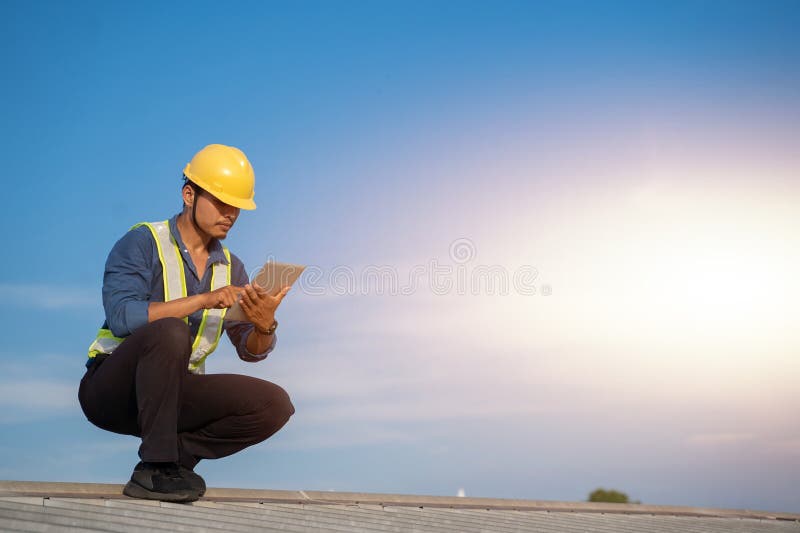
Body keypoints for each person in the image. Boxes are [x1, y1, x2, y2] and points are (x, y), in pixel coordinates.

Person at [78, 144, 295, 503]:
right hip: (111, 391)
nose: (230, 214)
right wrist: (204, 300)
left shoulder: (232, 268)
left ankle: (175, 461)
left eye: (237, 207)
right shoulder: (142, 242)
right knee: (171, 329)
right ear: (189, 194)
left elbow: (250, 352)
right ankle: (156, 465)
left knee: (274, 404)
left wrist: (264, 326)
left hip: (172, 395)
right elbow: (121, 316)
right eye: (221, 202)